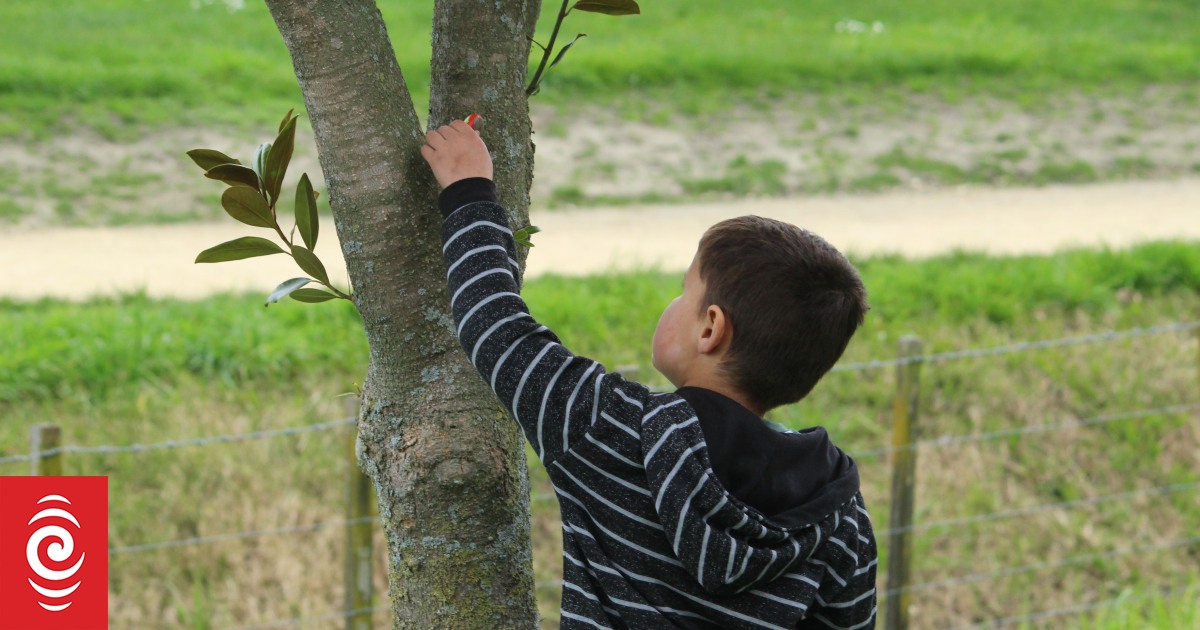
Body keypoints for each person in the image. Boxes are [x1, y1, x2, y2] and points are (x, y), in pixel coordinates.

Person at [421, 119, 877, 629]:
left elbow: (495, 325)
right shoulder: (836, 508)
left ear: (711, 328)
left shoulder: (612, 430)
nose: (675, 299)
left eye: (686, 289)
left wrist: (468, 189)